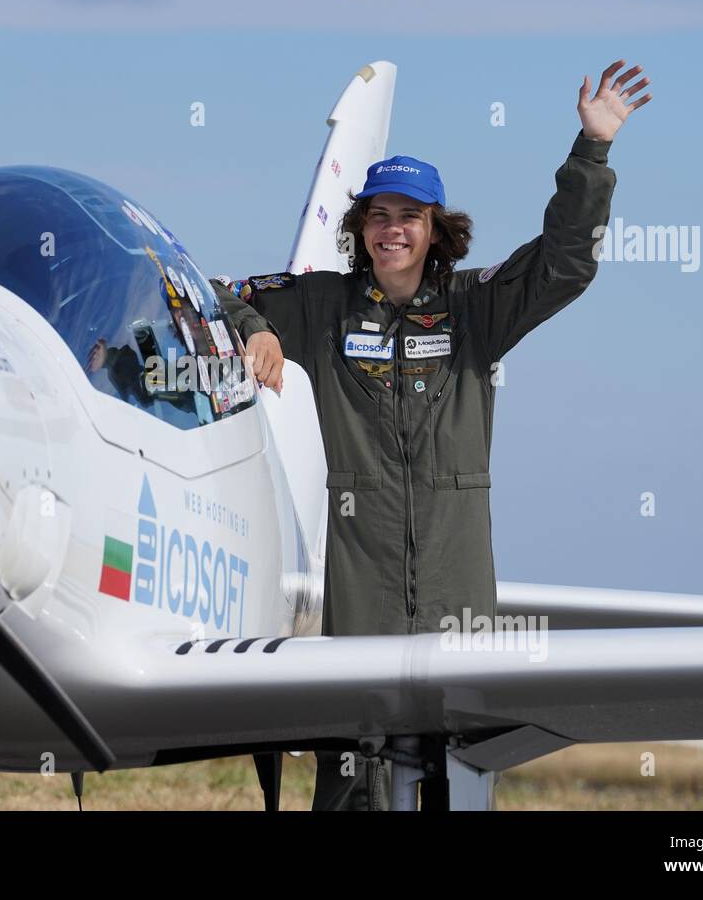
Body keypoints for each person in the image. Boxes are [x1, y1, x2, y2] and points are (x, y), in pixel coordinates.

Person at [210, 60, 651, 810]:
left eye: (409, 217)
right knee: (355, 757)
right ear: (362, 228)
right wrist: (258, 334)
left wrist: (592, 150)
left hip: (457, 577)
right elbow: (214, 292)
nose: (392, 230)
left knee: (454, 761)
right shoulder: (323, 305)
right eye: (379, 216)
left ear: (435, 230)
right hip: (362, 580)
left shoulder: (477, 308)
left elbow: (566, 265)